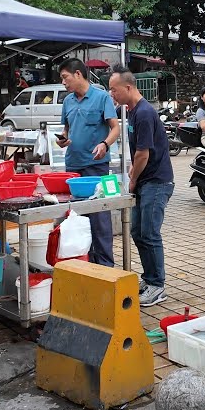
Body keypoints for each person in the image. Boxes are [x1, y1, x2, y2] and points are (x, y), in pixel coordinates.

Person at [107, 65, 173, 307]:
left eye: (114, 90)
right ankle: (149, 279)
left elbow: (142, 155)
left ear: (128, 87)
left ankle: (157, 285)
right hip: (145, 181)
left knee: (149, 233)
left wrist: (132, 180)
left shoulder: (144, 113)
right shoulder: (131, 111)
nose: (112, 94)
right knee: (137, 231)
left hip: (157, 181)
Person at [55, 60, 120, 266]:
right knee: (77, 218)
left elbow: (115, 128)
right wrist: (62, 139)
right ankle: (84, 263)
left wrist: (104, 144)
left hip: (97, 166)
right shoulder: (67, 102)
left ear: (77, 74)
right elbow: (66, 130)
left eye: (65, 78)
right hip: (73, 167)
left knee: (100, 217)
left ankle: (106, 265)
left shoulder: (102, 97)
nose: (63, 83)